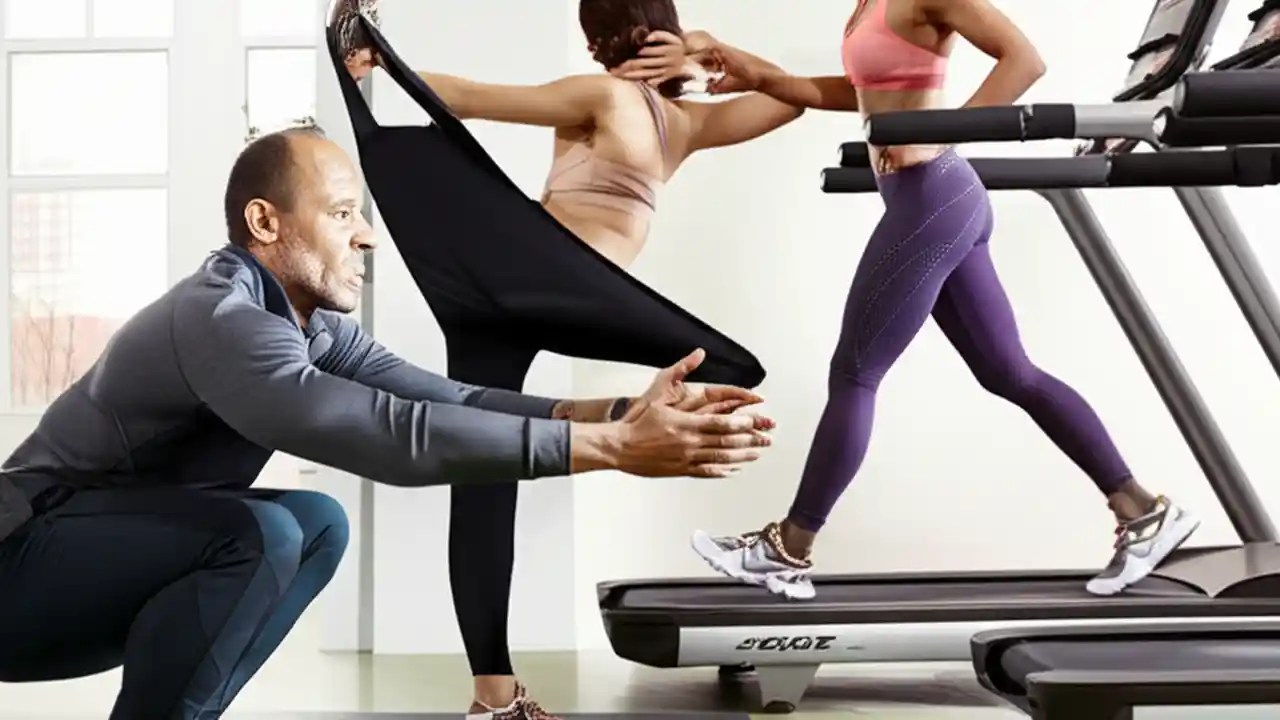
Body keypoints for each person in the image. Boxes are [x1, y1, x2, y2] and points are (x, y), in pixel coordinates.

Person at [0, 126, 774, 720]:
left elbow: (443, 400)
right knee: (259, 532)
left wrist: (614, 412)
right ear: (265, 222)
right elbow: (384, 435)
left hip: (95, 562)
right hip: (20, 568)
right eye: (342, 213)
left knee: (316, 524)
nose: (368, 234)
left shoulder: (306, 322)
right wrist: (609, 451)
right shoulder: (221, 317)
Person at [332, 1, 806, 716]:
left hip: (523, 290)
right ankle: (494, 689)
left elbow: (787, 102)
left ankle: (493, 696)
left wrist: (715, 52)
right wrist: (385, 66)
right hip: (544, 271)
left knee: (485, 469)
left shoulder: (686, 122)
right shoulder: (605, 98)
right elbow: (469, 100)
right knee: (731, 365)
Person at [684, 0, 1201, 602]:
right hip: (931, 200)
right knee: (1011, 372)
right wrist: (759, 75)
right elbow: (861, 91)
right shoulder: (869, 5)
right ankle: (1143, 511)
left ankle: (788, 549)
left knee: (855, 374)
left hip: (932, 197)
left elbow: (1024, 60)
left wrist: (942, 137)